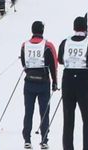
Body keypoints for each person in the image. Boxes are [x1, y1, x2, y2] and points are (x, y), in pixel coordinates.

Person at [58, 16, 88, 150]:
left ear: (74, 28)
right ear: (86, 28)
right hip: (84, 81)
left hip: (68, 80)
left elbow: (60, 59)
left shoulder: (65, 42)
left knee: (68, 120)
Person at [21, 20, 58, 150]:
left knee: (28, 111)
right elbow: (54, 64)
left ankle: (27, 139)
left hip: (29, 82)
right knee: (44, 112)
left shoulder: (24, 45)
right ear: (42, 31)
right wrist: (55, 81)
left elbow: (24, 63)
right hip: (43, 83)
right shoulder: (48, 45)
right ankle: (44, 140)